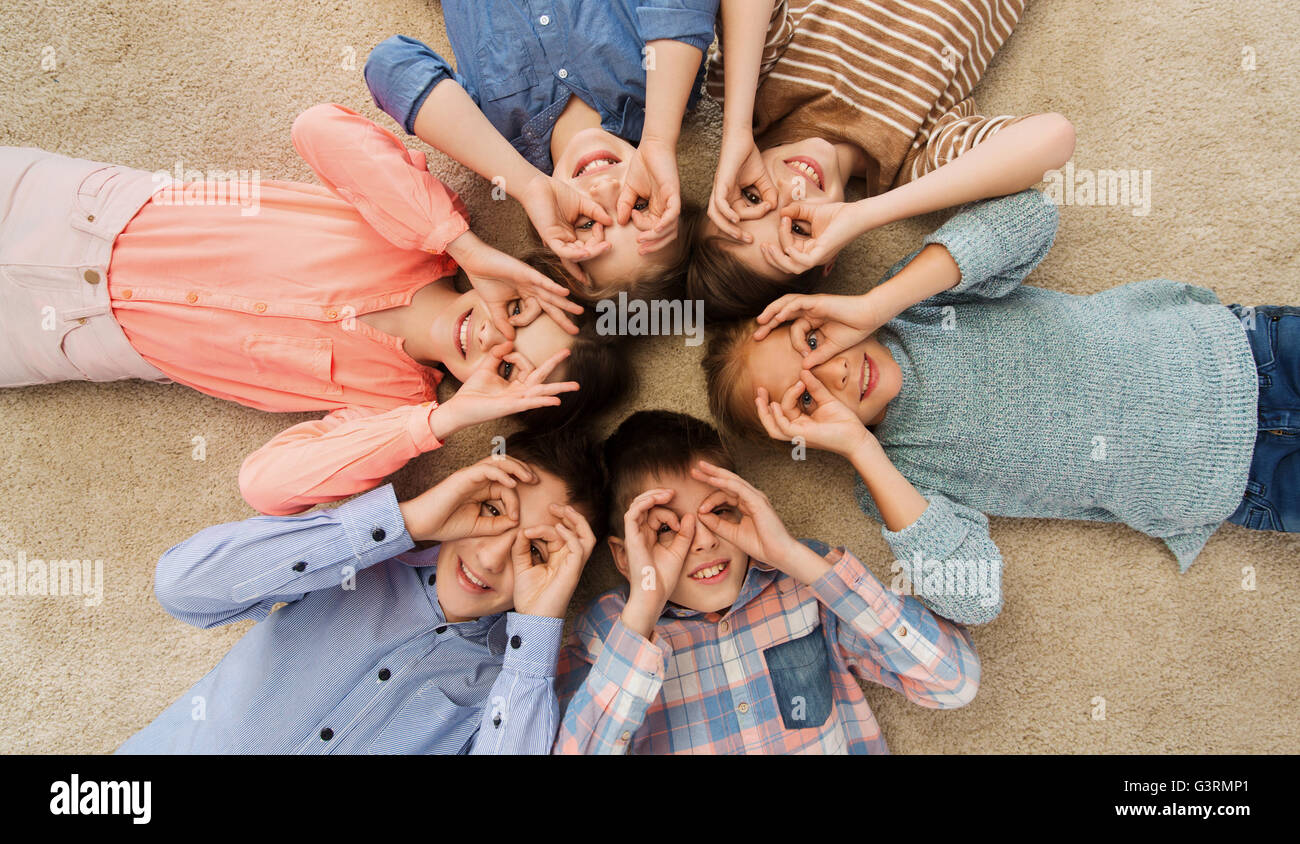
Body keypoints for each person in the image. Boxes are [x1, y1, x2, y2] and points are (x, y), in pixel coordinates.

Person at [0, 104, 627, 516]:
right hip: (77, 212)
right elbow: (317, 129)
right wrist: (463, 243)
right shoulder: (414, 232)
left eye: (510, 371)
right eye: (517, 315)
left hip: (62, 338)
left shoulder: (392, 408)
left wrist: (440, 424)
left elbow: (266, 486)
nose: (494, 341)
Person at [703, 188, 1294, 625]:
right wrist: (861, 449)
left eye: (811, 341)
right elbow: (977, 597)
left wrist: (878, 303)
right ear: (807, 436)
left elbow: (1032, 216)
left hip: (1238, 350)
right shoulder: (896, 483)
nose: (833, 372)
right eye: (806, 399)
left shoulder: (916, 303)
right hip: (1240, 483)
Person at [692, 0, 1076, 319]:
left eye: (752, 195)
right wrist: (864, 215)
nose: (791, 192)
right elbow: (1054, 137)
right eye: (800, 225)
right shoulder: (912, 164)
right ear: (830, 252)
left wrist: (736, 132)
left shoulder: (757, 89)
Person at [329, 0, 720, 299]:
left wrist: (527, 184)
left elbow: (391, 65)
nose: (605, 190)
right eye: (637, 205)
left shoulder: (498, 145)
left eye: (588, 221)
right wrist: (659, 139)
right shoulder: (661, 95)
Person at [117, 427, 603, 754]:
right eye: (494, 513)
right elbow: (182, 586)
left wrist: (537, 630)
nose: (492, 558)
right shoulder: (355, 560)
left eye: (535, 553)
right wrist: (406, 521)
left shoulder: (514, 685)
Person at [554, 410, 979, 754]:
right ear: (625, 557)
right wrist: (643, 611)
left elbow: (953, 682)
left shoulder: (801, 585)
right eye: (666, 529)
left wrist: (795, 557)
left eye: (718, 511)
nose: (703, 541)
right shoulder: (607, 631)